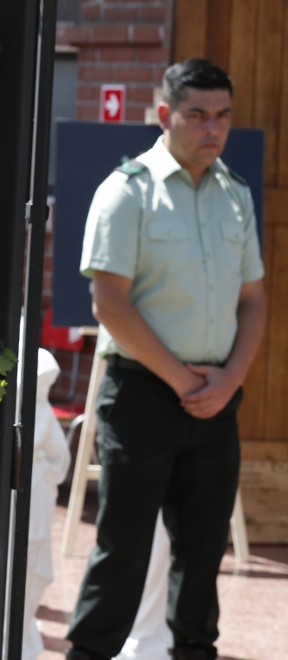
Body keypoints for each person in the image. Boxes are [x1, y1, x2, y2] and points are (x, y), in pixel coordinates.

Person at [66, 59, 267, 660]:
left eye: (222, 116)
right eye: (197, 114)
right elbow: (109, 302)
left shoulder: (236, 196)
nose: (213, 128)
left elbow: (255, 299)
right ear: (164, 115)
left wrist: (230, 378)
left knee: (204, 555)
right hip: (143, 395)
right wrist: (183, 380)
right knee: (123, 550)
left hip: (217, 397)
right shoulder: (127, 191)